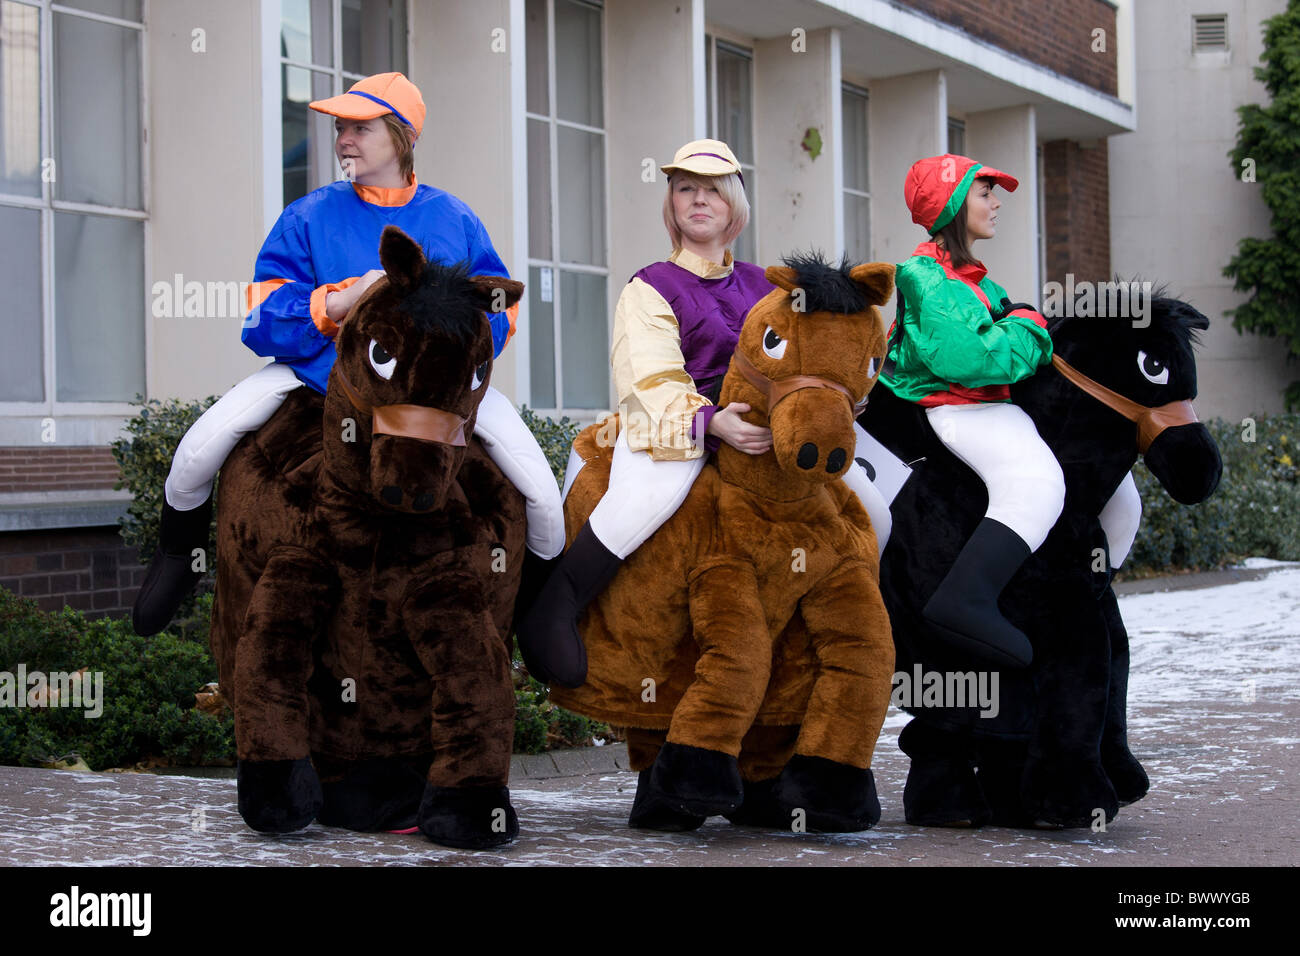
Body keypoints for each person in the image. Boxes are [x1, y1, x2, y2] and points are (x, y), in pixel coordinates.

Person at [132, 72, 565, 636]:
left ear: (401, 135)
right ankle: (177, 560)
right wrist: (338, 304)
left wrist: (445, 346)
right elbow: (261, 316)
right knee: (195, 452)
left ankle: (540, 614)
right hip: (315, 376)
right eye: (341, 128)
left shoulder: (455, 218)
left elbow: (500, 309)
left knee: (542, 492)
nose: (344, 139)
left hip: (433, 393)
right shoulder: (307, 215)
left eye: (360, 127)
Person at [517, 139, 893, 688]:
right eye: (684, 189)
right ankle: (556, 604)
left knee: (874, 509)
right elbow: (649, 377)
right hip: (681, 428)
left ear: (733, 204)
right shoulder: (650, 286)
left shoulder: (769, 283)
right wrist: (712, 423)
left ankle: (856, 617)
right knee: (646, 497)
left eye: (712, 191)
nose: (698, 200)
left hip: (774, 432)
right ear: (670, 205)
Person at [880, 153, 1064, 666]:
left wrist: (1023, 327)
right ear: (955, 205)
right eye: (984, 193)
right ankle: (966, 599)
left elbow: (1015, 337)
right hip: (957, 410)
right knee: (1038, 482)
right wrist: (1029, 325)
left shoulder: (978, 280)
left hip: (986, 408)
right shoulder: (924, 274)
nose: (996, 202)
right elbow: (978, 359)